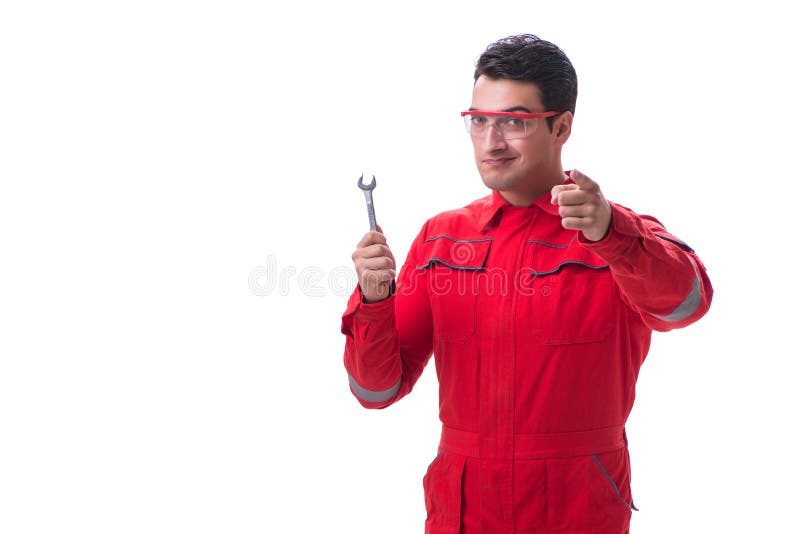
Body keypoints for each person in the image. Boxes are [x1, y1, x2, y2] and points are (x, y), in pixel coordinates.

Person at [341, 34, 712, 534]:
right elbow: (376, 389)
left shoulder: (614, 234)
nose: (492, 142)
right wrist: (374, 298)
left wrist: (611, 235)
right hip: (465, 511)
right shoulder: (441, 239)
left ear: (562, 127)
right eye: (480, 121)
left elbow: (685, 306)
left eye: (515, 121)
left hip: (577, 512)